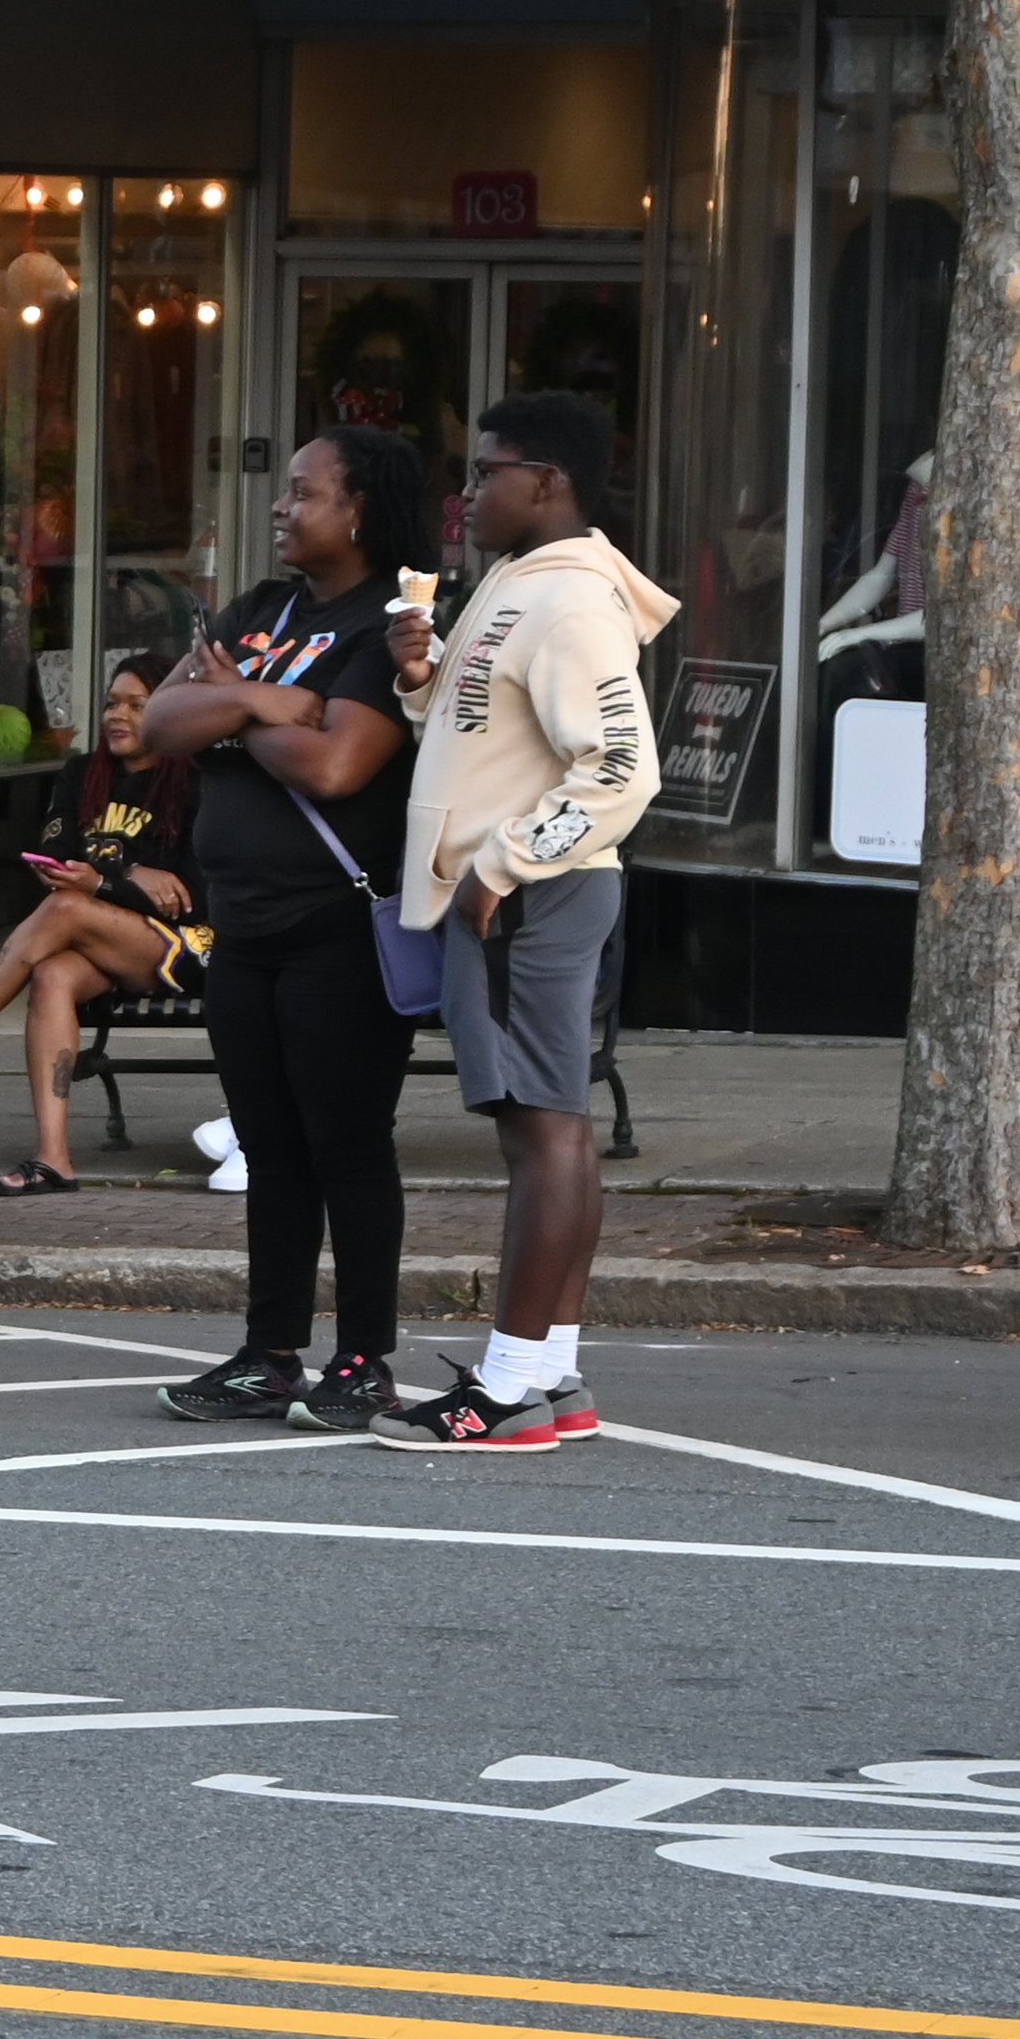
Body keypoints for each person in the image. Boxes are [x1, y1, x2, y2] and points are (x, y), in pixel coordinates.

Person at [373, 392, 672, 1449]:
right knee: (552, 1131)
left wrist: (503, 865)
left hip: (527, 898)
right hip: (529, 892)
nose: (464, 494)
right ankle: (549, 1371)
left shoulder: (569, 602)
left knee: (540, 1133)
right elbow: (485, 729)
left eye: (483, 471)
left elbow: (624, 767)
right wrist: (421, 675)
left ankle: (504, 1388)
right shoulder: (519, 584)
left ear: (544, 483)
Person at [139, 423, 438, 1432]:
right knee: (270, 1147)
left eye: (304, 491)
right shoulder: (264, 610)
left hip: (334, 930)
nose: (281, 504)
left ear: (355, 510)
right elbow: (156, 726)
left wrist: (224, 702)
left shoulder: (383, 624)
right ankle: (269, 1353)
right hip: (243, 928)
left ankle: (362, 1359)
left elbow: (337, 767)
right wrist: (268, 698)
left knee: (345, 1146)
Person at [0, 656, 206, 1193]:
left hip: (187, 947)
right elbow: (53, 859)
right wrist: (128, 874)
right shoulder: (81, 774)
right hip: (101, 942)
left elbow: (189, 894)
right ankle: (53, 1160)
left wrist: (99, 884)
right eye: (112, 703)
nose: (118, 716)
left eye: (137, 706)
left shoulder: (196, 782)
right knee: (51, 975)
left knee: (67, 910)